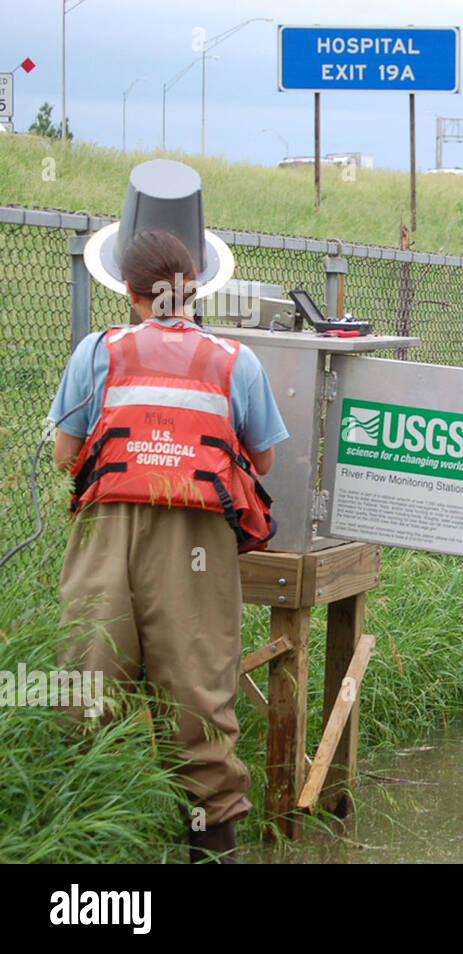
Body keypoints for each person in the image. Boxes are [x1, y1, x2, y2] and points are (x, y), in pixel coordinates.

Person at [48, 229, 288, 862]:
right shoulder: (236, 360)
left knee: (90, 684)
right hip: (198, 543)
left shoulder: (95, 352)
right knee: (199, 695)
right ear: (195, 287)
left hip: (107, 533)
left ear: (127, 291)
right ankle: (212, 850)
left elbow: (65, 455)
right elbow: (260, 457)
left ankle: (86, 854)